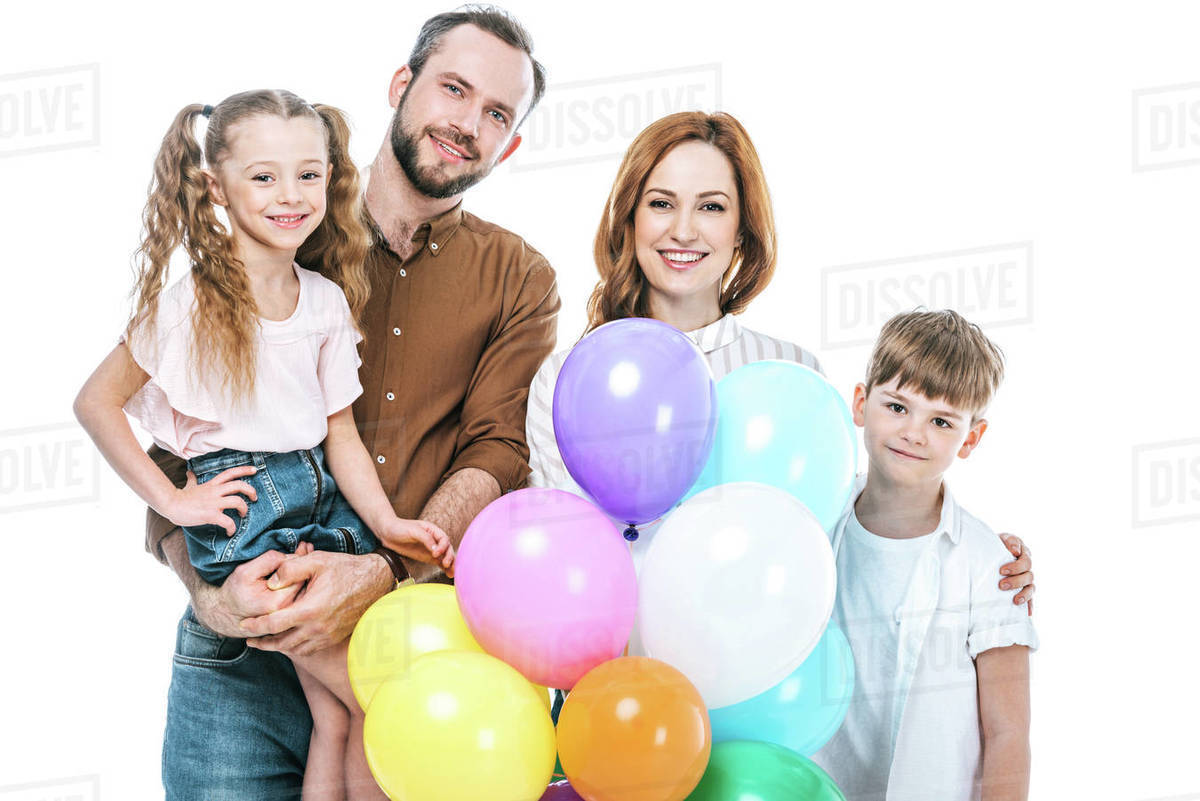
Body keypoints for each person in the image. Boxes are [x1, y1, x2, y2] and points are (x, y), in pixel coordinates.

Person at [97, 8, 558, 799]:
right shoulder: (282, 220)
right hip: (239, 660)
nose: (467, 124)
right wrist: (211, 594)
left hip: (408, 647)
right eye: (454, 88)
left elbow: (498, 452)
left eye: (495, 114)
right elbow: (178, 434)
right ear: (401, 84)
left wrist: (383, 567)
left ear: (509, 145)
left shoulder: (521, 278)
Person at [74, 90, 458, 801]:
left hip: (318, 499)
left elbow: (340, 432)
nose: (291, 195)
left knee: (337, 719)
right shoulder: (189, 304)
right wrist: (174, 499)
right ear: (216, 186)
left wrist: (389, 526)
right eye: (264, 176)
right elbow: (95, 401)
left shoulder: (322, 302)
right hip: (250, 517)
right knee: (381, 706)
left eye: (309, 174)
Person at [525, 111, 1034, 598]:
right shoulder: (569, 375)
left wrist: (980, 558)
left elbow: (836, 533)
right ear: (629, 217)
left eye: (711, 206)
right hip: (605, 680)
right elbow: (555, 549)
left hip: (754, 675)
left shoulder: (791, 375)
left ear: (741, 228)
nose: (683, 230)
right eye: (661, 203)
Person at [812, 309, 1038, 801]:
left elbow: (1008, 733)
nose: (914, 433)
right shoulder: (812, 526)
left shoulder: (991, 566)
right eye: (897, 407)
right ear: (860, 402)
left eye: (940, 420)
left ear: (970, 438)